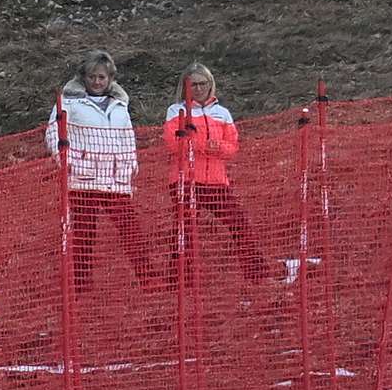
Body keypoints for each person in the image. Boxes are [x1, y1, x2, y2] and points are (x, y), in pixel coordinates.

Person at [45, 50, 153, 291]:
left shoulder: (120, 105)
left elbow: (128, 137)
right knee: (84, 234)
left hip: (115, 179)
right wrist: (69, 163)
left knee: (131, 230)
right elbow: (54, 134)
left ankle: (147, 277)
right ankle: (82, 284)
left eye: (102, 77)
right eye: (92, 76)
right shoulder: (68, 102)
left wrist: (130, 166)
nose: (97, 82)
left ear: (110, 78)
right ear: (84, 77)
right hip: (83, 178)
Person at [162, 62, 271, 283]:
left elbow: (231, 147)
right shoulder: (176, 111)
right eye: (194, 85)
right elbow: (174, 144)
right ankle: (180, 279)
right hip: (186, 180)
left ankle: (257, 273)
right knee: (185, 230)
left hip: (216, 181)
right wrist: (203, 144)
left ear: (211, 85)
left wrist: (214, 146)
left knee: (238, 222)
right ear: (185, 87)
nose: (199, 89)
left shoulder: (222, 113)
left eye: (203, 84)